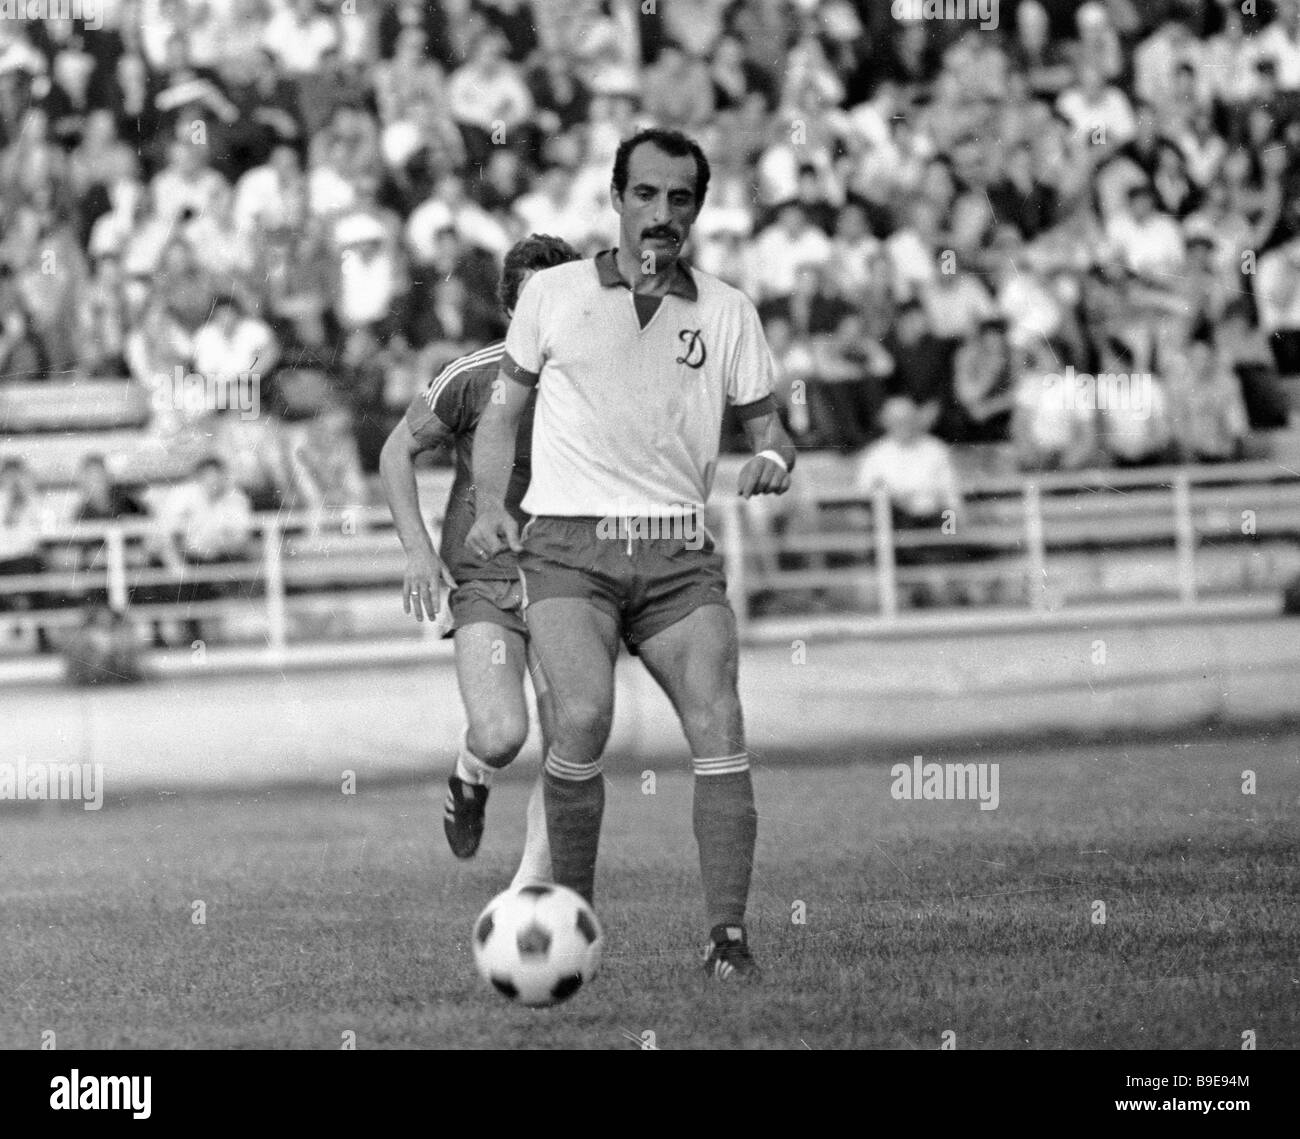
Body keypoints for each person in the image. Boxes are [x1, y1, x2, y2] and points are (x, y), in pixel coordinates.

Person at [466, 128, 795, 982]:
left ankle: (728, 940)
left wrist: (774, 457)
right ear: (616, 199)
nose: (662, 212)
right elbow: (502, 414)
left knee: (720, 723)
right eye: (646, 193)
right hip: (570, 544)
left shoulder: (728, 311)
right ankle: (571, 917)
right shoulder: (555, 295)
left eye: (679, 197)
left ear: (697, 208)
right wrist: (494, 506)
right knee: (580, 720)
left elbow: (768, 424)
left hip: (677, 546)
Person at [379, 234, 581, 888]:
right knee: (500, 732)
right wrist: (416, 550)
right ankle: (471, 777)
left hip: (574, 578)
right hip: (488, 574)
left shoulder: (599, 379)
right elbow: (394, 452)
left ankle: (531, 887)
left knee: (571, 737)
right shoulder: (472, 375)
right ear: (508, 306)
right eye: (527, 299)